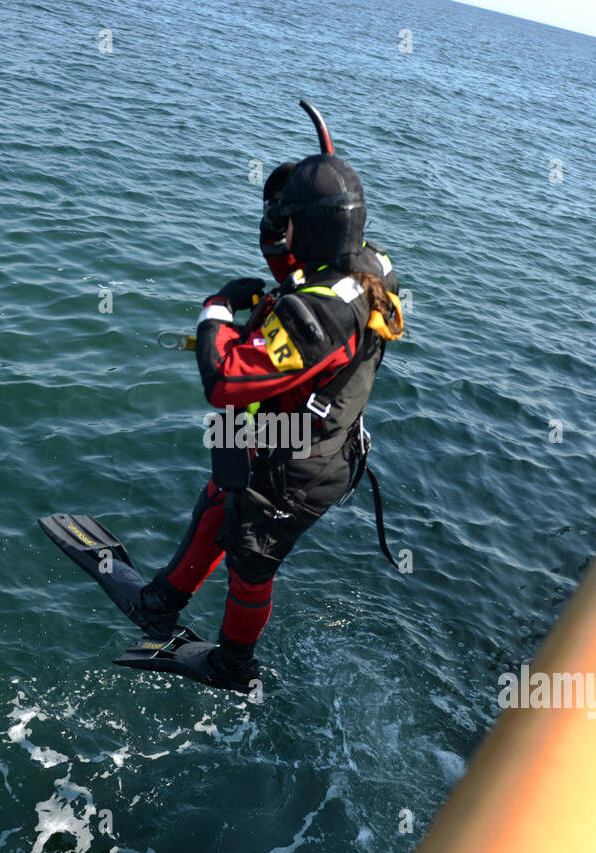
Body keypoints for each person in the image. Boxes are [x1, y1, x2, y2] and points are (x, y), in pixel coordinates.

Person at [127, 148, 406, 690]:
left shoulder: (318, 314)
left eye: (283, 223)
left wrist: (217, 308)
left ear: (306, 226)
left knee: (252, 563)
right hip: (285, 432)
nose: (273, 233)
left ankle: (234, 665)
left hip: (302, 465)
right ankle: (163, 602)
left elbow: (225, 380)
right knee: (221, 495)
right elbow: (324, 262)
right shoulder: (371, 264)